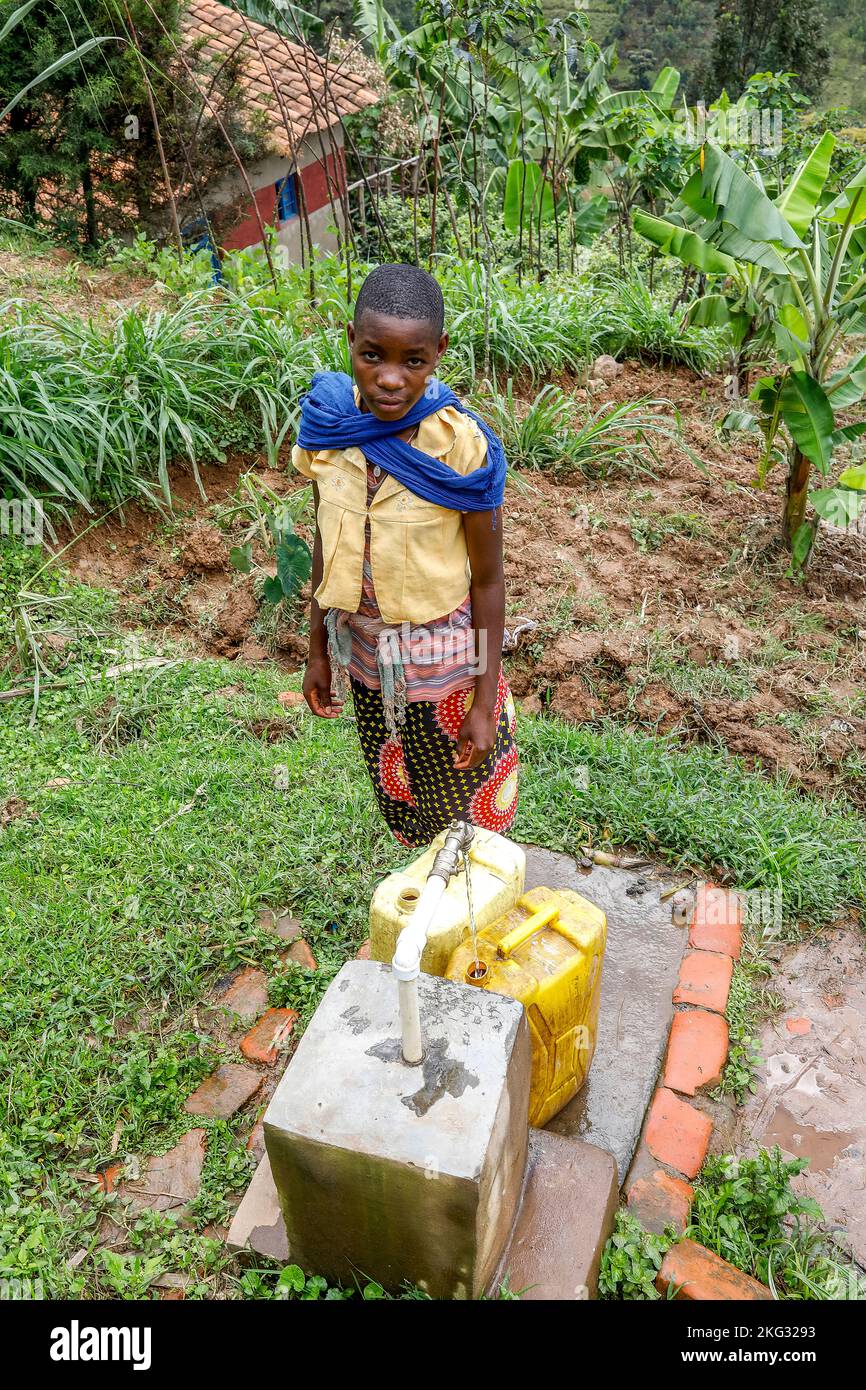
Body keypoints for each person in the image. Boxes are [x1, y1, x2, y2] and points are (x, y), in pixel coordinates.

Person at [291, 262, 518, 848]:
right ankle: (425, 920)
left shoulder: (462, 447)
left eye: (412, 361)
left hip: (447, 668)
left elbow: (488, 582)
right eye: (373, 356)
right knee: (403, 802)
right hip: (368, 660)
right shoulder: (329, 429)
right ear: (350, 341)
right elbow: (325, 543)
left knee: (466, 819)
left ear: (438, 352)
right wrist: (317, 651)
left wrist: (485, 702)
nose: (390, 378)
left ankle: (470, 914)